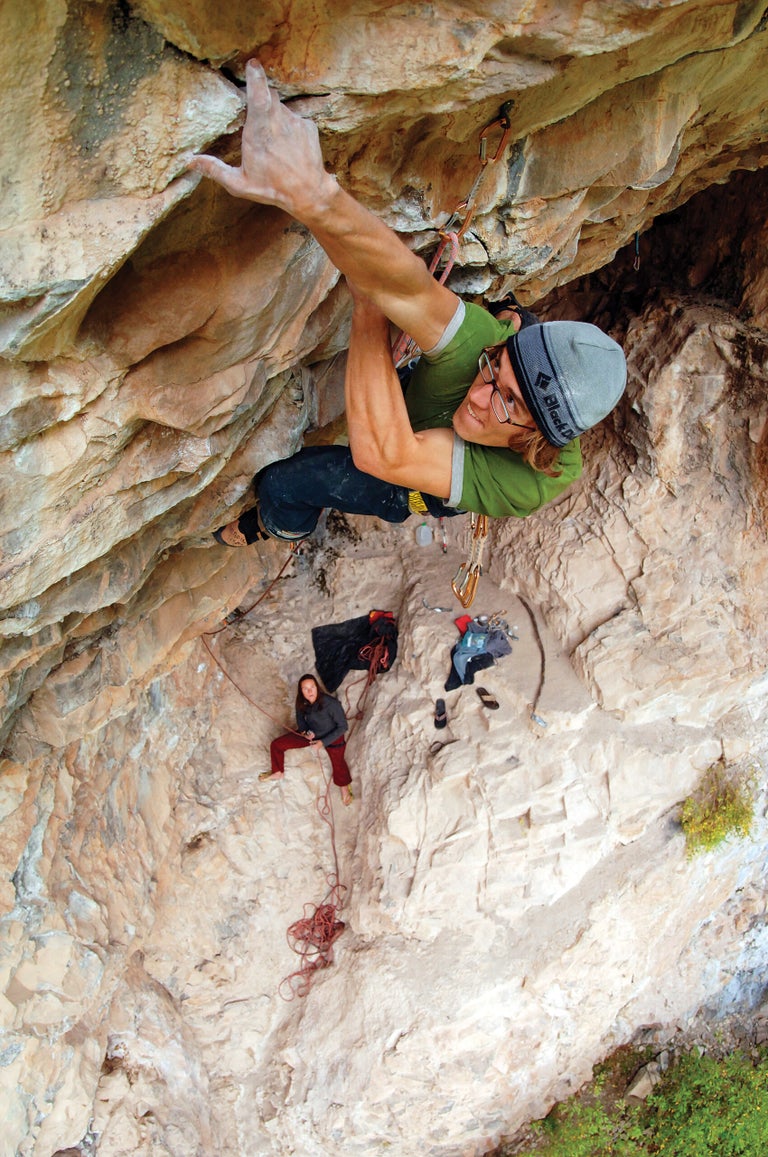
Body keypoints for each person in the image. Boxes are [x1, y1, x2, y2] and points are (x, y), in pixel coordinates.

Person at [190, 61, 627, 547]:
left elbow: (386, 455)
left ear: (536, 441)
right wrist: (313, 195)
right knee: (410, 379)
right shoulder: (486, 349)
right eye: (495, 372)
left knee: (288, 482)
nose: (480, 396)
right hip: (425, 405)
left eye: (509, 402)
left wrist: (367, 307)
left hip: (414, 482)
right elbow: (410, 288)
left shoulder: (531, 481)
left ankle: (272, 526)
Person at [260, 674, 354, 806]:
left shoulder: (331, 704)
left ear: (317, 687)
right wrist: (305, 732)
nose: (310, 691)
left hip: (332, 735)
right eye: (305, 689)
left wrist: (323, 742)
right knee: (277, 744)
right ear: (301, 691)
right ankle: (278, 772)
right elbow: (300, 720)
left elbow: (343, 726)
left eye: (312, 687)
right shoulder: (301, 702)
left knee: (338, 761)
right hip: (312, 734)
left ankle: (344, 787)